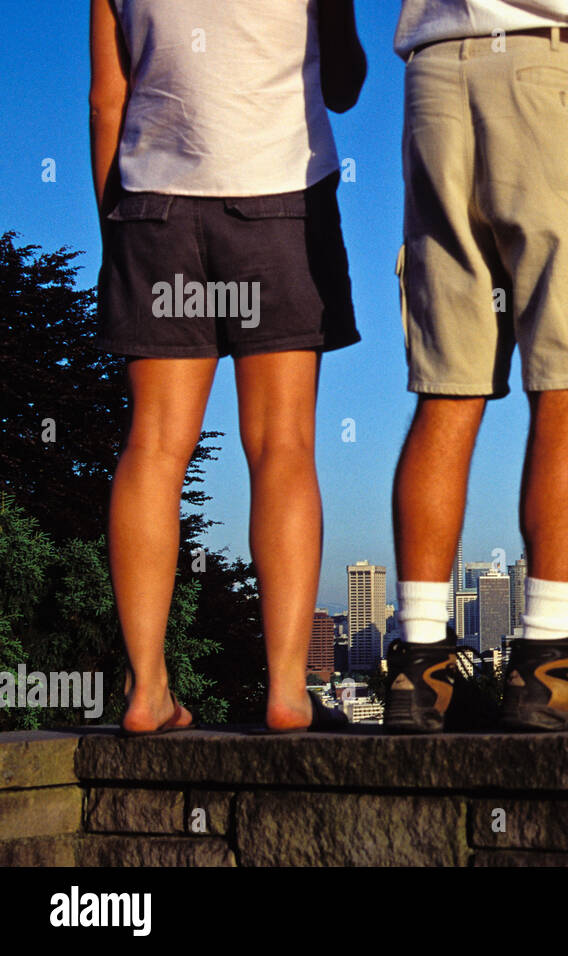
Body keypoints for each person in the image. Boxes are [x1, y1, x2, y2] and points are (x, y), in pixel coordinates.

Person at [90, 0, 366, 734]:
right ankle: (286, 691)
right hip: (280, 202)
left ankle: (146, 690)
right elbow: (343, 83)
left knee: (151, 446)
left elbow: (105, 99)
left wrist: (117, 228)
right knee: (282, 445)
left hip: (153, 206)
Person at [385, 0, 568, 732]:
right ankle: (549, 660)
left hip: (434, 77)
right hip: (553, 68)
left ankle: (421, 669)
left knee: (448, 390)